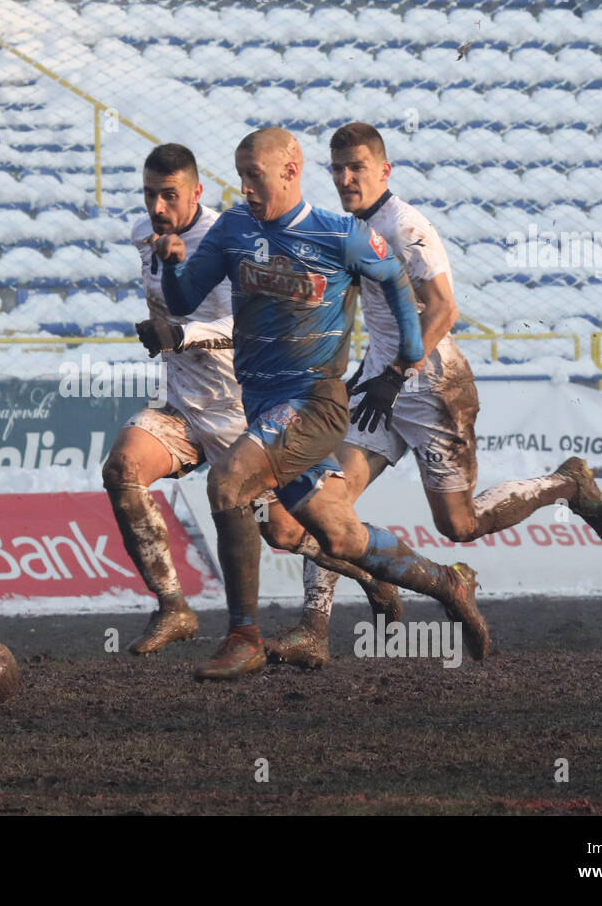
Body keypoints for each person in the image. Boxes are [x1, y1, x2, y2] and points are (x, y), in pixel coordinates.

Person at [262, 122, 602, 668]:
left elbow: (445, 308)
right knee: (319, 507)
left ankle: (567, 482)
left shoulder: (405, 226)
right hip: (380, 387)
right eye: (337, 169)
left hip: (431, 388)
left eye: (357, 167)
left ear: (384, 170)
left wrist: (397, 371)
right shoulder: (349, 227)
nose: (346, 178)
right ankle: (316, 627)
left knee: (459, 526)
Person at [157, 127, 490, 681]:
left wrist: (406, 355)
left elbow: (394, 281)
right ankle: (446, 582)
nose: (245, 188)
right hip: (262, 405)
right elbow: (185, 301)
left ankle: (244, 638)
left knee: (229, 483)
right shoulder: (235, 230)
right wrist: (171, 262)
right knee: (338, 536)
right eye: (239, 177)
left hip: (313, 403)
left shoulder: (339, 234)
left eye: (254, 176)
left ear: (291, 170)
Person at [105, 143, 366, 656]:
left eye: (169, 196)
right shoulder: (145, 235)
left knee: (289, 534)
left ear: (197, 193)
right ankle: (174, 607)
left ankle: (360, 574)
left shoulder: (228, 239)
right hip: (182, 407)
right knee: (121, 469)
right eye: (149, 196)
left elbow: (238, 324)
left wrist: (181, 337)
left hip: (242, 409)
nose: (157, 209)